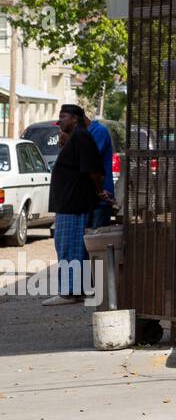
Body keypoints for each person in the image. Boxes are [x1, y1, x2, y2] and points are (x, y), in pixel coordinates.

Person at [42, 104, 109, 306]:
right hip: (68, 203)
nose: (59, 121)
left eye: (63, 116)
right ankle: (75, 290)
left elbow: (93, 170)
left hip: (73, 204)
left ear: (75, 119)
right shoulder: (76, 138)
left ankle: (70, 292)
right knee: (68, 247)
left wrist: (99, 191)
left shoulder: (81, 137)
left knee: (69, 247)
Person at [86, 113, 116, 229]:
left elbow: (91, 161)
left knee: (98, 237)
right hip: (88, 198)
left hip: (100, 199)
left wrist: (100, 191)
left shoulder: (99, 132)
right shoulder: (83, 134)